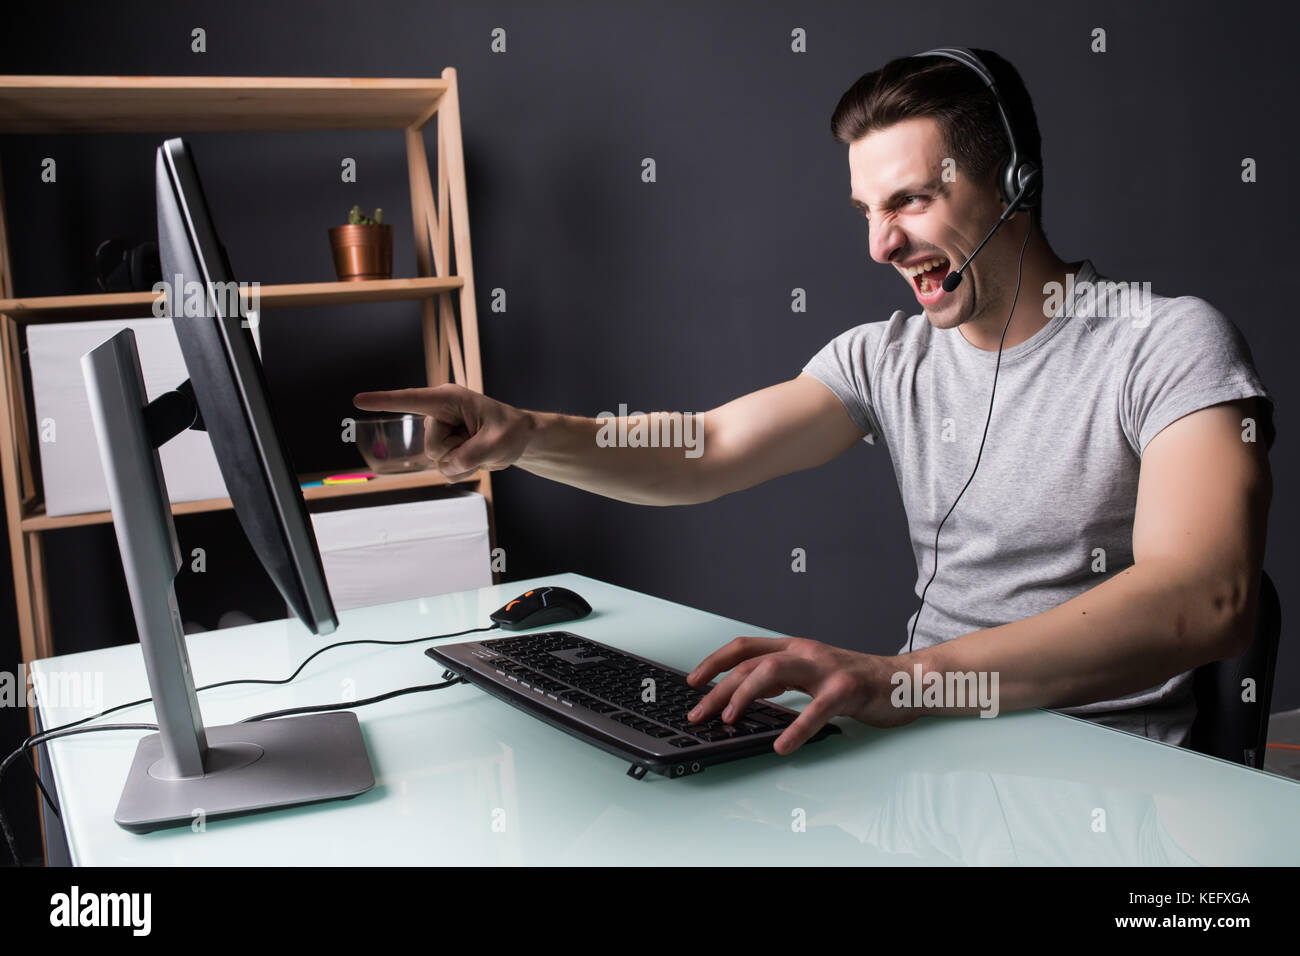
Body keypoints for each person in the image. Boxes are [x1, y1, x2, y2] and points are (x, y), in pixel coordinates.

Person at [354, 48, 1273, 756]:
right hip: (923, 751)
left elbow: (1208, 595)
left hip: (1102, 779)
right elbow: (706, 447)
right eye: (866, 211)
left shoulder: (1168, 343)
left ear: (1015, 183)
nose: (880, 245)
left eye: (910, 201)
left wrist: (899, 682)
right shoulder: (887, 358)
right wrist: (525, 436)